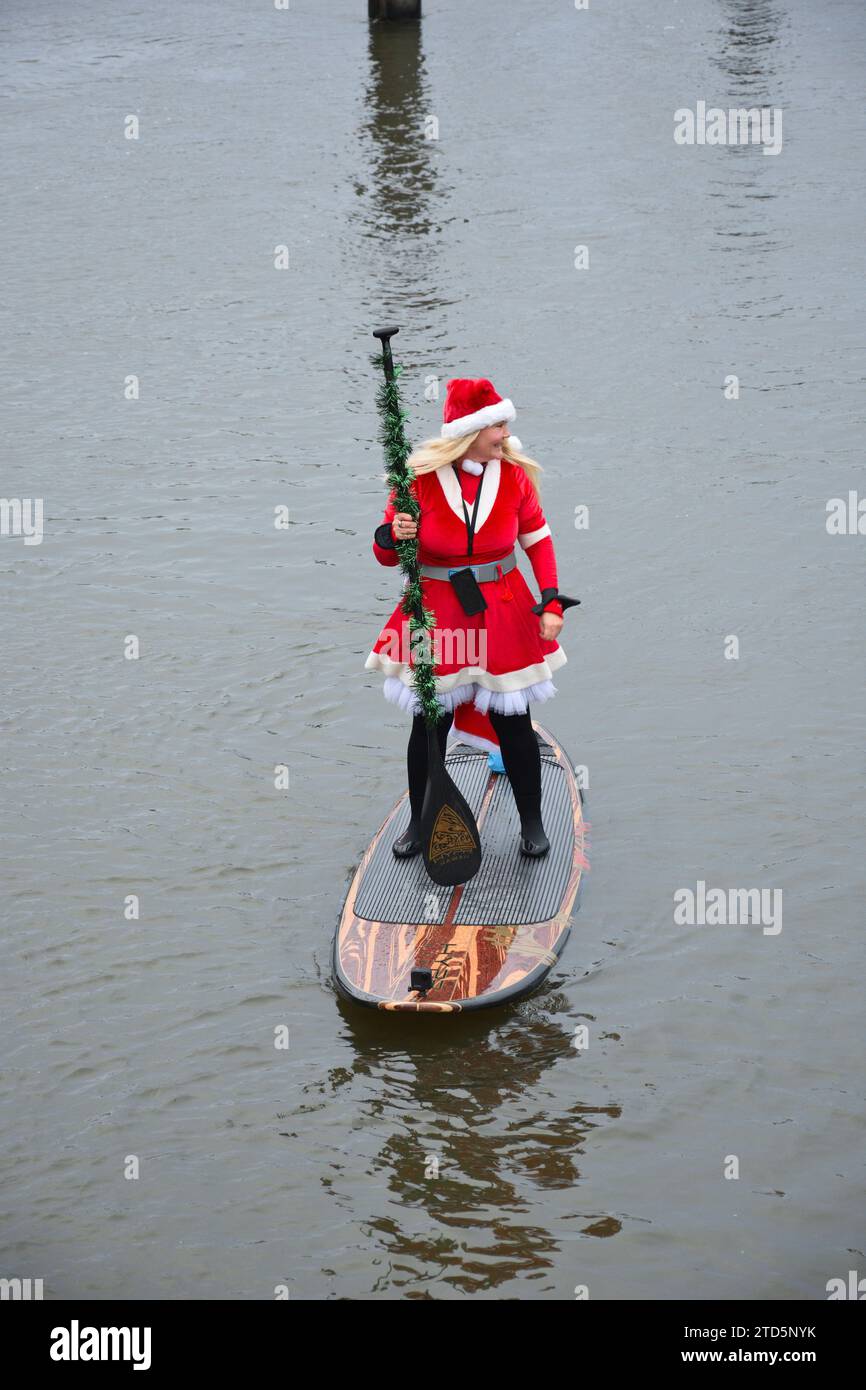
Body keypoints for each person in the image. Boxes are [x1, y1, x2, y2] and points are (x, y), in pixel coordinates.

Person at [364, 378, 578, 859]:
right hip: (437, 609)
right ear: (473, 430)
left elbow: (538, 541)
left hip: (503, 606)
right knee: (428, 725)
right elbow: (385, 554)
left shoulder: (515, 476)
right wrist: (391, 532)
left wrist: (549, 601)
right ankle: (421, 826)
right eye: (498, 425)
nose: (505, 433)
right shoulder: (415, 480)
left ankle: (532, 822)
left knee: (516, 722)